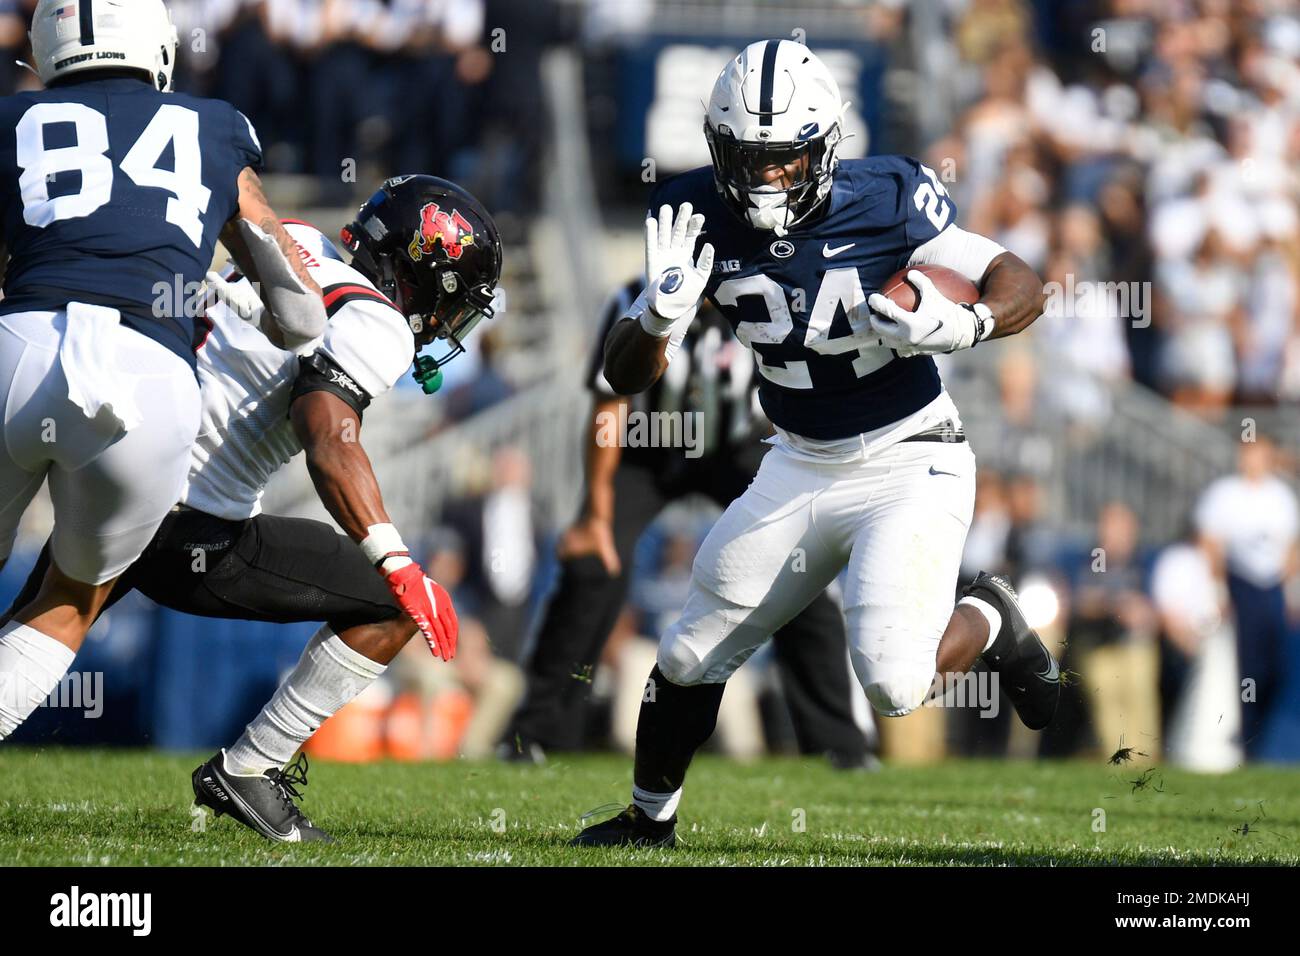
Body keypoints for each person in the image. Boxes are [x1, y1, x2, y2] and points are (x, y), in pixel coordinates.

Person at [572, 39, 1058, 847]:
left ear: (825, 148)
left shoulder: (891, 195)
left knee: (895, 685)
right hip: (796, 461)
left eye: (786, 160)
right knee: (690, 652)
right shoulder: (693, 214)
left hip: (912, 456)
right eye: (748, 158)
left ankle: (994, 615)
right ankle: (648, 822)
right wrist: (655, 320)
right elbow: (621, 379)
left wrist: (967, 322)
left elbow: (1021, 280)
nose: (765, 179)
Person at [3, 176, 504, 841]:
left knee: (34, 632)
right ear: (417, 273)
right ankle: (249, 769)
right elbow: (326, 431)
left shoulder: (295, 239)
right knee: (390, 603)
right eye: (450, 303)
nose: (446, 323)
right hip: (189, 527)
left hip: (118, 467)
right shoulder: (375, 321)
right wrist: (397, 558)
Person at [0, 0, 323, 744]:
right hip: (148, 375)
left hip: (21, 342)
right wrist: (235, 296)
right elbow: (303, 315)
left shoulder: (13, 123)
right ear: (158, 45)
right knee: (73, 594)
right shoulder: (210, 125)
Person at [504, 278, 873, 767]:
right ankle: (537, 733)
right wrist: (594, 512)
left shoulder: (761, 298)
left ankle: (837, 744)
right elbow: (609, 405)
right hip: (650, 446)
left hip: (736, 446)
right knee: (593, 564)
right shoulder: (632, 299)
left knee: (798, 567)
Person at [1194, 434, 1299, 756]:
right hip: (1242, 585)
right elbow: (1210, 544)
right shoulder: (1224, 494)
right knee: (1245, 666)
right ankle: (1244, 733)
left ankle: (1261, 736)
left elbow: (1291, 549)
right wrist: (1219, 590)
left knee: (1275, 667)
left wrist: (1291, 594)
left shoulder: (1281, 496)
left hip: (1272, 588)